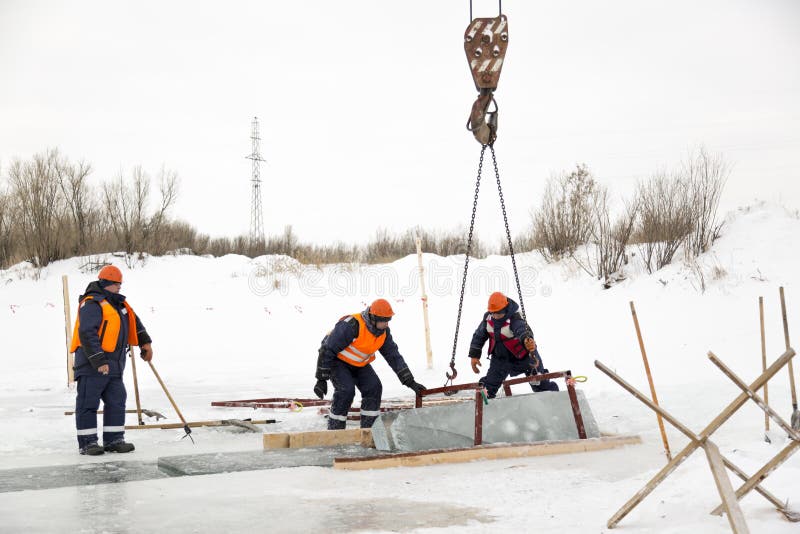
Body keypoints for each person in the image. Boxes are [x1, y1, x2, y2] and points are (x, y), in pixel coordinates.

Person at [70, 265, 153, 455]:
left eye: (120, 285)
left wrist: (145, 343)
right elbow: (86, 333)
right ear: (106, 284)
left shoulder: (120, 305)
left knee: (117, 401)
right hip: (92, 365)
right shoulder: (91, 304)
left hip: (115, 366)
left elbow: (135, 324)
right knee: (88, 403)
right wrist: (99, 360)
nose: (119, 288)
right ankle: (87, 443)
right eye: (116, 285)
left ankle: (114, 440)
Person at [313, 299, 427, 430]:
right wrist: (321, 379)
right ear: (373, 318)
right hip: (338, 362)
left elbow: (394, 356)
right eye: (383, 321)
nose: (386, 324)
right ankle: (335, 431)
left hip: (359, 365)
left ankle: (369, 431)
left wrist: (410, 381)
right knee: (346, 390)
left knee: (374, 387)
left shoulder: (383, 333)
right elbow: (327, 349)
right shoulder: (351, 325)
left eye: (388, 320)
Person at [468, 291, 559, 398]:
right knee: (489, 385)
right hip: (500, 359)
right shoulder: (488, 320)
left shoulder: (514, 318)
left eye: (499, 313)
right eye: (493, 313)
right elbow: (478, 336)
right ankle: (483, 404)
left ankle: (555, 398)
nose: (496, 316)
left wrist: (527, 340)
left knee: (540, 383)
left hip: (524, 357)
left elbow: (522, 330)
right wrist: (474, 355)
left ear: (505, 310)